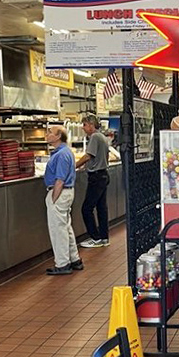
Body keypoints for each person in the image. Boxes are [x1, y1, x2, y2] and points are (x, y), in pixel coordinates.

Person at [44, 125, 83, 275]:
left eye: (50, 132)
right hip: (66, 193)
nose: (47, 134)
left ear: (58, 136)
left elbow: (59, 180)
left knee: (58, 230)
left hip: (59, 193)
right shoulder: (66, 152)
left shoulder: (61, 155)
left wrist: (53, 198)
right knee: (66, 227)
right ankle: (75, 259)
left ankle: (62, 264)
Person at [76, 114, 112, 248]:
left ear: (91, 125)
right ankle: (104, 237)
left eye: (84, 125)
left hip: (96, 177)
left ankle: (95, 237)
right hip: (103, 174)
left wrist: (74, 166)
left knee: (86, 208)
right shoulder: (103, 137)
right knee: (102, 208)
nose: (83, 128)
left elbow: (88, 156)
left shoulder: (95, 137)